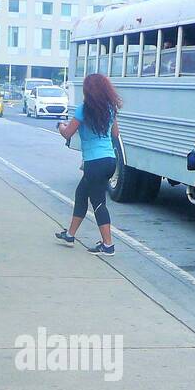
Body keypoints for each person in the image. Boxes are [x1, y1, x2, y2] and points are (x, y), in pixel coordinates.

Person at [53, 72, 121, 256]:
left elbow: (68, 134)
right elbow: (115, 134)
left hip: (94, 161)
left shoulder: (83, 109)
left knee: (98, 202)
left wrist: (60, 125)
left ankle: (108, 244)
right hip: (109, 160)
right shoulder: (110, 108)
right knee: (81, 193)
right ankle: (70, 234)